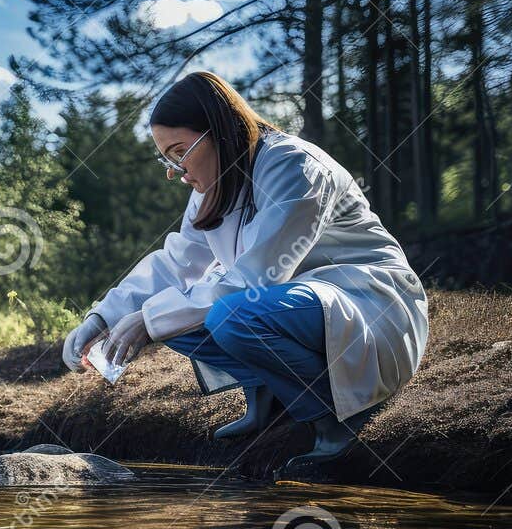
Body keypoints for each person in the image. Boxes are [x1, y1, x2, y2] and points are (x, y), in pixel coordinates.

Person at [62, 71, 428, 471]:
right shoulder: (214, 187)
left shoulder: (294, 167)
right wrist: (102, 317)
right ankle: (268, 398)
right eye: (166, 159)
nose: (176, 171)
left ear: (218, 131)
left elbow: (257, 279)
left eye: (180, 152)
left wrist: (149, 320)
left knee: (226, 314)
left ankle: (338, 419)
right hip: (297, 306)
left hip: (369, 307)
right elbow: (174, 264)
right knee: (179, 315)